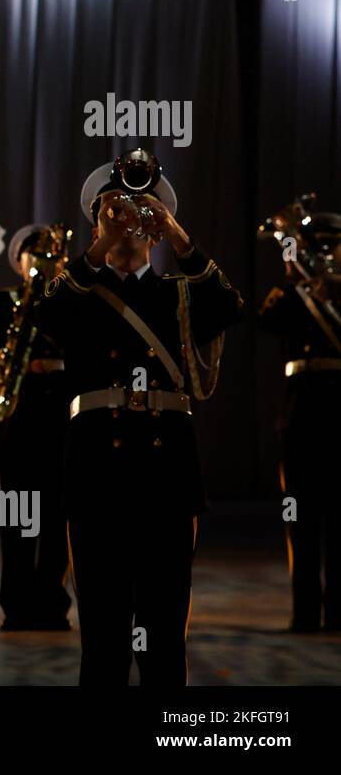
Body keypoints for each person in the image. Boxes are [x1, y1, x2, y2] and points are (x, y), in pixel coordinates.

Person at [35, 150, 243, 685]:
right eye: (113, 209)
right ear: (96, 219)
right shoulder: (80, 291)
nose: (127, 219)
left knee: (164, 633)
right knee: (102, 636)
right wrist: (100, 244)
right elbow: (47, 314)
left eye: (138, 210)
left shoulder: (177, 294)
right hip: (97, 473)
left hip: (166, 476)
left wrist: (178, 236)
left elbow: (229, 307)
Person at [0, 223, 73, 631]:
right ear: (20, 261)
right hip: (19, 415)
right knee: (18, 513)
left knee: (57, 516)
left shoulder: (69, 299)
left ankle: (52, 603)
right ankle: (15, 604)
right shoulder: (5, 301)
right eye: (33, 254)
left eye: (48, 254)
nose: (41, 261)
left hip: (63, 412)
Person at [257, 205, 341, 632]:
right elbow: (266, 321)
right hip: (302, 417)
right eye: (318, 246)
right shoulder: (292, 295)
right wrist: (295, 271)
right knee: (300, 518)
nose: (326, 254)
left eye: (332, 246)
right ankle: (304, 613)